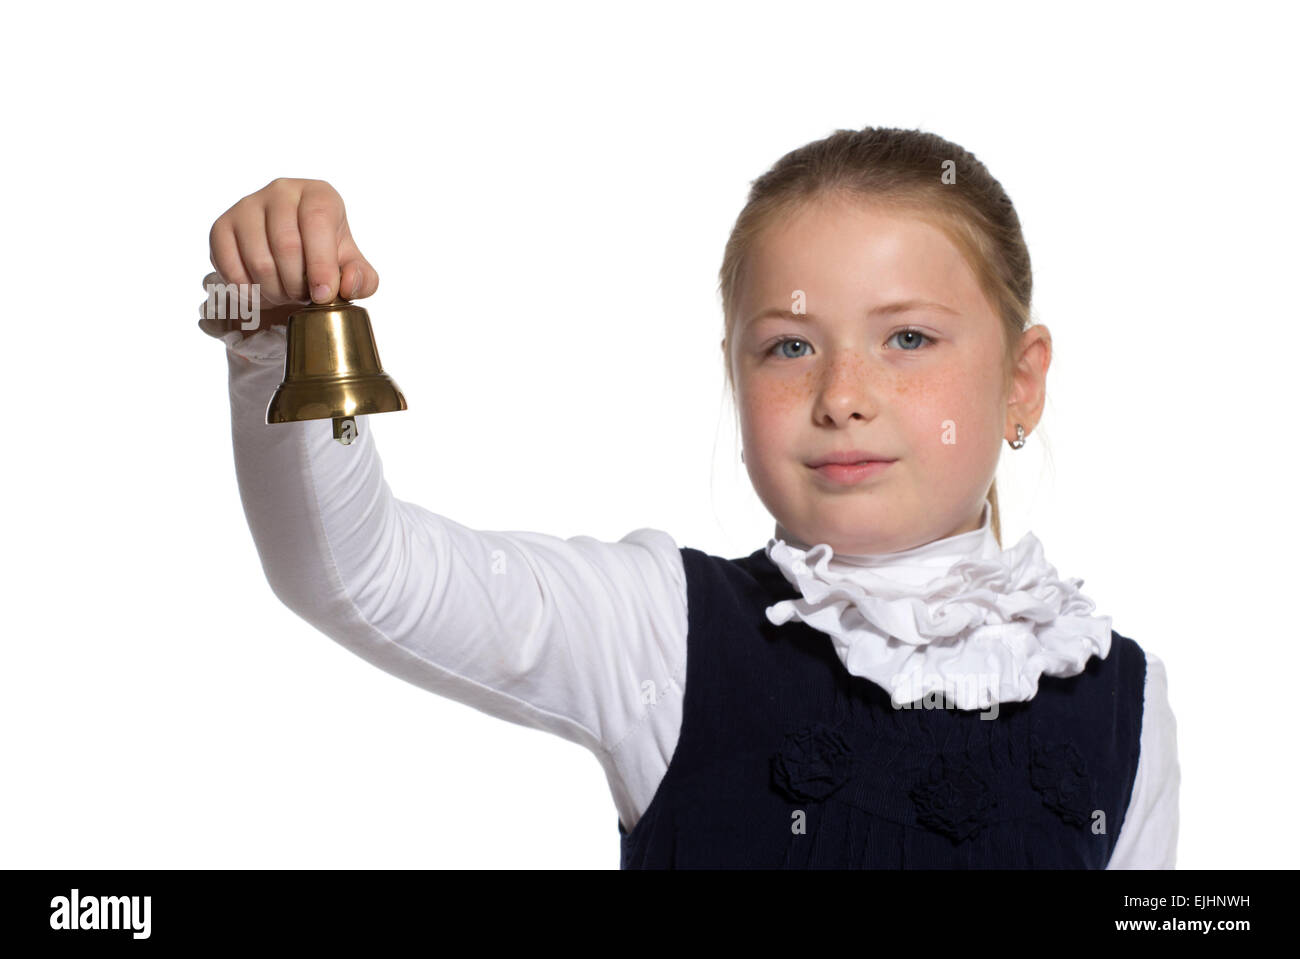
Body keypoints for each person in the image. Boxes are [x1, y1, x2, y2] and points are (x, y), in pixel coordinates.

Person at [198, 127, 1179, 868]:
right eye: (789, 346)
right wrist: (282, 336)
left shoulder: (1124, 704)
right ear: (734, 371)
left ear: (1022, 379)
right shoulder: (662, 630)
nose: (841, 395)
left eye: (908, 338)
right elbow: (357, 575)